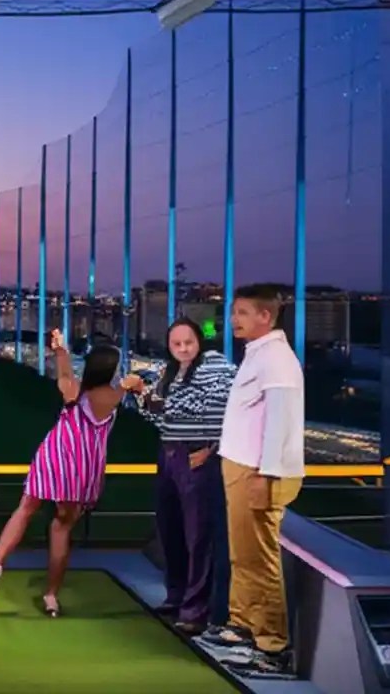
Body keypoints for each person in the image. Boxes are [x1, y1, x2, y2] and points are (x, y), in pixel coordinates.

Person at [0, 329, 138, 616]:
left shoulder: (75, 390)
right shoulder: (113, 395)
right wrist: (129, 385)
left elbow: (64, 374)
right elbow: (125, 393)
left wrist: (61, 349)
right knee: (61, 528)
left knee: (25, 509)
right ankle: (51, 596)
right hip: (83, 471)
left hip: (54, 458)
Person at [197, 285, 304, 679]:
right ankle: (241, 629)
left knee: (260, 561)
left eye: (242, 312)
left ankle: (274, 648)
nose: (233, 319)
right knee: (242, 556)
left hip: (259, 472)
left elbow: (279, 423)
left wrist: (265, 475)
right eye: (233, 312)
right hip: (241, 466)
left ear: (266, 316)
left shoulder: (276, 358)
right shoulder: (257, 354)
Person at [127, 318, 236, 634]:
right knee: (170, 528)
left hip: (198, 456)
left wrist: (212, 449)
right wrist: (143, 396)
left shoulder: (217, 369)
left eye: (189, 342)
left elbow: (211, 412)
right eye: (176, 344)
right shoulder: (169, 372)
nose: (183, 349)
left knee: (198, 536)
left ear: (200, 341)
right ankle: (176, 596)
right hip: (169, 454)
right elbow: (157, 417)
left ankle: (195, 610)